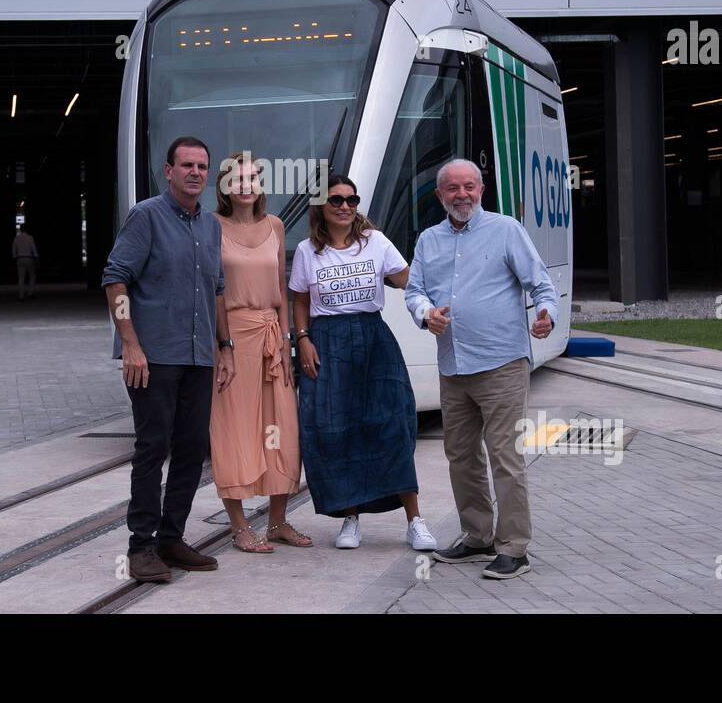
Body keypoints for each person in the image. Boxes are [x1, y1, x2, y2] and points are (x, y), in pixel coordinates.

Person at [405, 159, 557, 581]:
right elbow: (414, 291)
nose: (461, 195)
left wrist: (545, 314)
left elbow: (540, 284)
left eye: (469, 186)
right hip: (453, 365)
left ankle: (514, 548)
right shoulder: (428, 240)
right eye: (452, 189)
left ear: (481, 190)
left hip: (500, 363)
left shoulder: (506, 230)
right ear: (440, 196)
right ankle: (477, 536)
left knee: (505, 456)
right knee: (461, 456)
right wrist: (425, 313)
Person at [102, 136, 235, 583]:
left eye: (202, 166)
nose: (195, 172)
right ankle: (140, 547)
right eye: (187, 165)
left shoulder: (212, 226)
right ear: (169, 171)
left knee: (193, 448)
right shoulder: (146, 216)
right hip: (153, 356)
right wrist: (131, 345)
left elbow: (216, 291)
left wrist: (225, 346)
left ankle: (171, 539)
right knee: (152, 448)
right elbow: (115, 281)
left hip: (198, 356)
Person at [289, 173, 437, 552]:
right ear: (321, 206)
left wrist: (436, 295)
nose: (344, 207)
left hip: (373, 337)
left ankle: (415, 520)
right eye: (336, 200)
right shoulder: (309, 250)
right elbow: (301, 300)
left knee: (393, 424)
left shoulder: (375, 242)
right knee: (335, 429)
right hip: (327, 340)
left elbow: (409, 279)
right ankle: (350, 518)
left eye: (351, 200)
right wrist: (302, 339)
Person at [210, 152, 311, 553]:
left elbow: (282, 286)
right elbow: (214, 291)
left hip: (272, 336)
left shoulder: (275, 225)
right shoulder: (211, 226)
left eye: (252, 178)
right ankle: (238, 526)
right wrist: (222, 346)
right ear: (224, 186)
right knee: (233, 429)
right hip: (233, 336)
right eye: (237, 179)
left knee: (281, 430)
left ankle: (277, 521)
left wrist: (287, 341)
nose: (246, 185)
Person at [11, 225, 38, 300]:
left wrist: (14, 256)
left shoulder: (17, 238)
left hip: (20, 258)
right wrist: (36, 257)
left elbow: (13, 248)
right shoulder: (30, 237)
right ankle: (30, 293)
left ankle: (21, 295)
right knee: (32, 276)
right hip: (29, 258)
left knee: (21, 278)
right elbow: (33, 248)